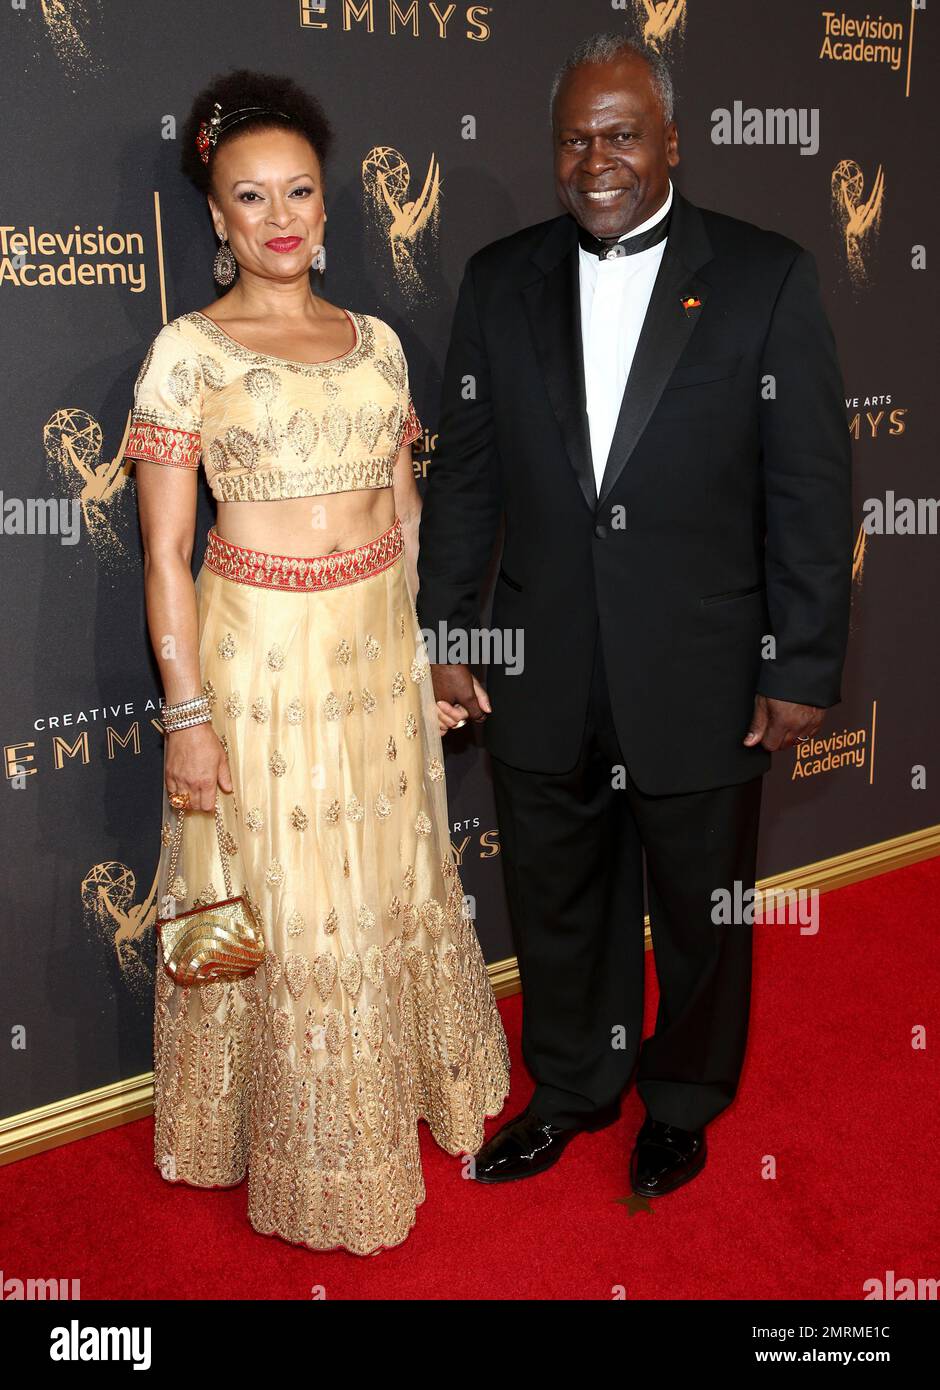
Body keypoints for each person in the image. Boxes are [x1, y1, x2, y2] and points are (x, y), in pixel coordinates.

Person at [416, 33, 852, 1197]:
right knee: (557, 898)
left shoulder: (766, 276)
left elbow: (809, 491)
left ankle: (686, 1096)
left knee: (702, 908)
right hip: (541, 656)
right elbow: (465, 478)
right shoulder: (499, 279)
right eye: (574, 139)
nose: (594, 159)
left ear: (672, 141)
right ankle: (571, 1086)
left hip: (702, 664)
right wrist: (449, 632)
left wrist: (800, 663)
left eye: (619, 134)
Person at [125, 69, 509, 1256]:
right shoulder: (187, 354)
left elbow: (407, 516)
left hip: (375, 656)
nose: (279, 216)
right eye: (251, 197)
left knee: (386, 884)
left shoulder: (378, 345)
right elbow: (165, 555)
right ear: (216, 215)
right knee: (287, 908)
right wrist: (187, 717)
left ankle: (397, 1089)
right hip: (261, 671)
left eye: (298, 190)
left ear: (327, 203)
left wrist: (430, 658)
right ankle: (291, 1137)